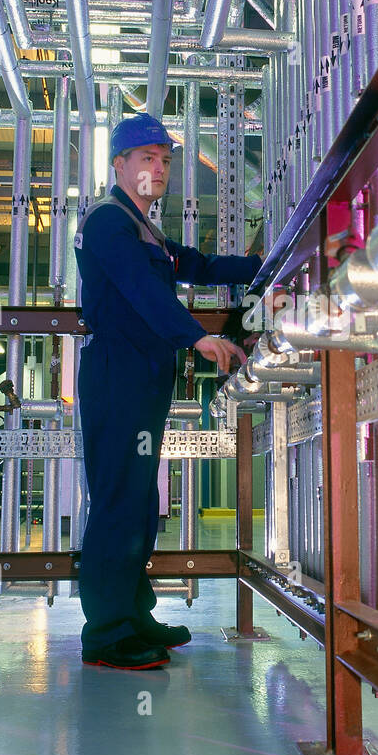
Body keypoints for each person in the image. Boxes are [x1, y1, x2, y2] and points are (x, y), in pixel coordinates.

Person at [73, 112, 261, 670]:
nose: (158, 167)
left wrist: (258, 264)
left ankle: (135, 614)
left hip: (143, 374)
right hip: (116, 373)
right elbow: (142, 292)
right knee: (116, 501)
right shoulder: (110, 221)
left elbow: (194, 264)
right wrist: (197, 337)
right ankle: (106, 633)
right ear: (120, 166)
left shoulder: (145, 226)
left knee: (140, 499)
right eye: (147, 158)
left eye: (165, 160)